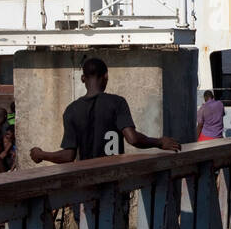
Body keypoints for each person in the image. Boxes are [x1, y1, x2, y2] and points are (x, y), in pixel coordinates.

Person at [29, 57, 181, 165]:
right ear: (106, 77)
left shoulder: (71, 110)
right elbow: (133, 139)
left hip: (86, 182)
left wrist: (42, 154)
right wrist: (160, 142)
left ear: (83, 79)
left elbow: (68, 155)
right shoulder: (117, 102)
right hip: (114, 179)